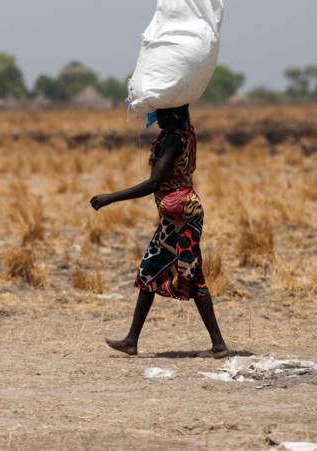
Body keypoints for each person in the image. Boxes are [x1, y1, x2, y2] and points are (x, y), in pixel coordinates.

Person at [90, 105, 229, 358]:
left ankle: (217, 345)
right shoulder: (183, 132)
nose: (156, 119)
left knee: (175, 273)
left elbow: (153, 183)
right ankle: (132, 340)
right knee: (160, 271)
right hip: (178, 215)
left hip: (181, 217)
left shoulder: (174, 140)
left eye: (161, 114)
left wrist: (111, 197)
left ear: (173, 115)